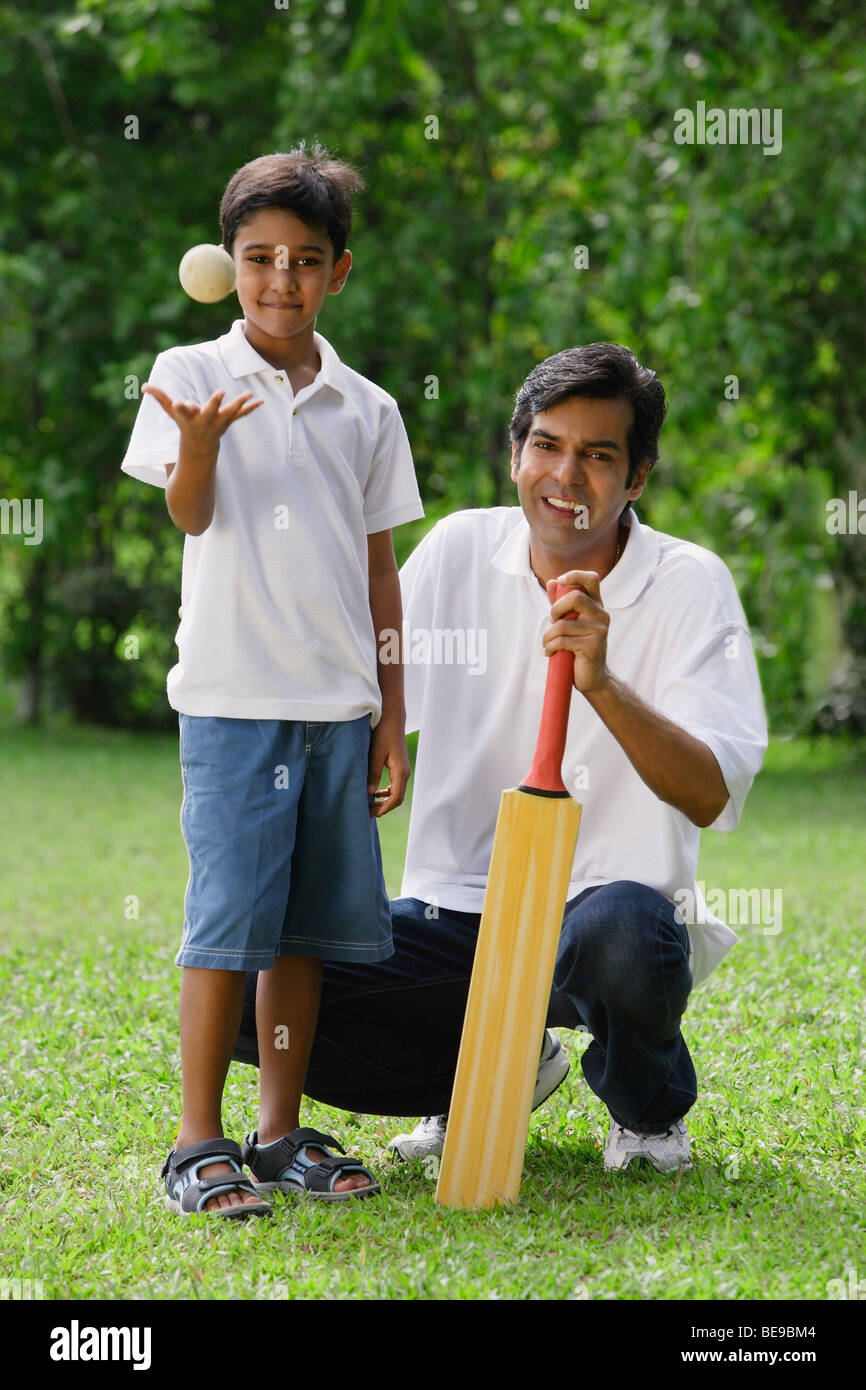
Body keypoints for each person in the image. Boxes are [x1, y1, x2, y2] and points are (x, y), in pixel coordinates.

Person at [234, 342, 768, 1178]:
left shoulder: (691, 583)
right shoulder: (456, 552)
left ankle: (646, 1112)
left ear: (637, 479)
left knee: (621, 934)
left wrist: (605, 685)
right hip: (456, 919)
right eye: (548, 445)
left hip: (605, 917)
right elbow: (353, 674)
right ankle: (491, 1072)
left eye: (599, 456)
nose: (567, 476)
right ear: (514, 453)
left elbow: (708, 794)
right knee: (246, 985)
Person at [120, 145, 424, 1216]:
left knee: (306, 935)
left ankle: (278, 1130)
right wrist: (196, 449)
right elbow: (189, 515)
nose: (279, 280)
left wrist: (392, 717)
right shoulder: (188, 375)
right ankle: (195, 1142)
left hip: (337, 709)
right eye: (258, 258)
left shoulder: (367, 408)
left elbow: (380, 573)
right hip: (234, 704)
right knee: (226, 927)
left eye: (304, 259)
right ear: (227, 262)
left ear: (338, 271)